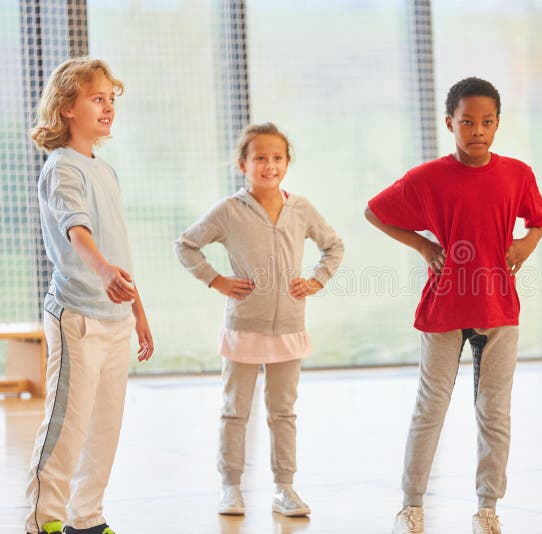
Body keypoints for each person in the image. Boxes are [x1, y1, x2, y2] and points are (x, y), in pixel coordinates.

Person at [366, 77, 542, 534]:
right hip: (444, 309)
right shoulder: (427, 178)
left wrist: (525, 244)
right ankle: (411, 506)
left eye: (486, 122)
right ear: (450, 123)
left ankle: (487, 507)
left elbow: (538, 220)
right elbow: (375, 212)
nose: (477, 130)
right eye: (467, 122)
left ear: (498, 124)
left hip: (498, 311)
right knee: (431, 407)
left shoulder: (518, 174)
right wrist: (425, 248)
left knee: (494, 411)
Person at [175, 122, 344, 518]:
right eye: (260, 158)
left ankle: (285, 488)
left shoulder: (301, 209)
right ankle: (230, 486)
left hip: (289, 328)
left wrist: (317, 280)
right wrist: (215, 280)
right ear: (243, 164)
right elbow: (186, 245)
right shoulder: (229, 211)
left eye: (277, 158)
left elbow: (333, 246)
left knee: (283, 412)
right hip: (243, 328)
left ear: (287, 163)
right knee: (236, 409)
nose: (270, 165)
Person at [25, 57, 154, 534]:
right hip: (76, 317)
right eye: (97, 98)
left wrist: (138, 310)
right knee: (67, 426)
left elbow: (118, 247)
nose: (108, 107)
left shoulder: (107, 171)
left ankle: (87, 519)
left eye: (111, 99)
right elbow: (75, 229)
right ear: (66, 108)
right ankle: (44, 521)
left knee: (105, 428)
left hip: (116, 319)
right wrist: (101, 272)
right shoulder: (62, 169)